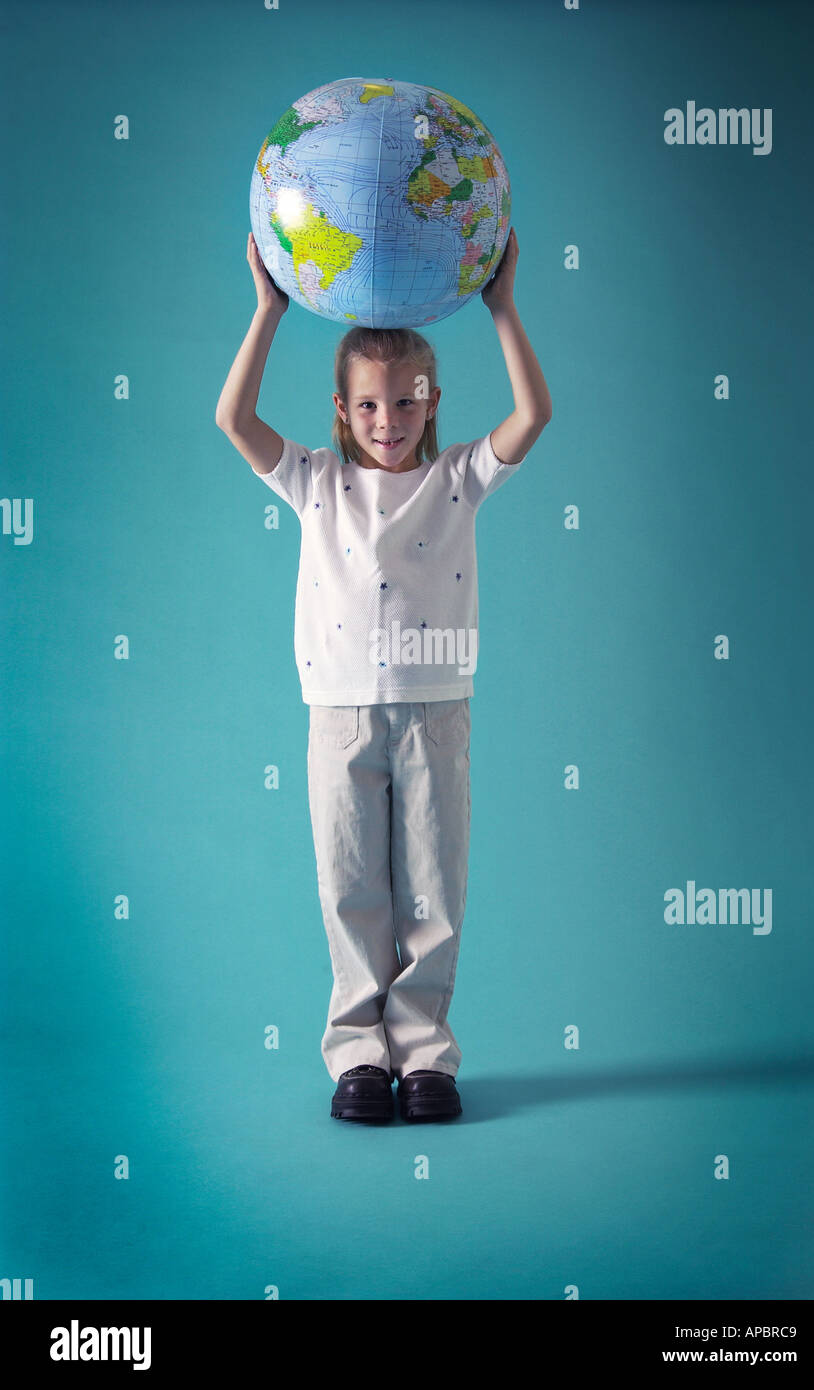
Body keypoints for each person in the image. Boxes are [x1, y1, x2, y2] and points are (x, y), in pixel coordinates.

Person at [215, 227, 552, 1122]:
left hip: (435, 712)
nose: (389, 422)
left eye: (406, 403)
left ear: (431, 401)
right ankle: (359, 1054)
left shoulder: (456, 480)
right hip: (339, 715)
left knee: (434, 887)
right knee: (351, 885)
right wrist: (267, 311)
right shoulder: (315, 482)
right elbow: (233, 422)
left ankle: (426, 1057)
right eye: (369, 407)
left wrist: (502, 308)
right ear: (340, 409)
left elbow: (533, 418)